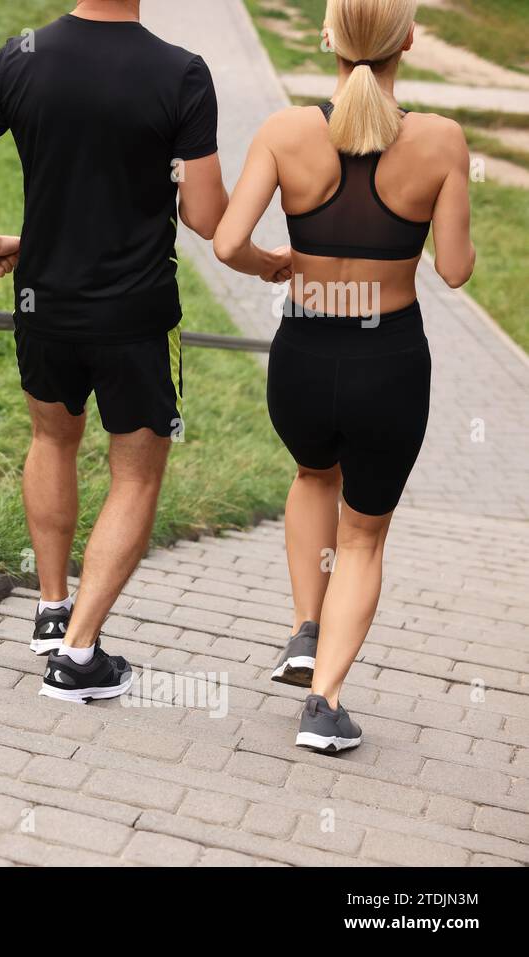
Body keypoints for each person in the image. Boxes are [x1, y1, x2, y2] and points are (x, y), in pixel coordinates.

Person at [0, 0, 290, 702]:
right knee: (136, 476)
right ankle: (78, 655)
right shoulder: (179, 73)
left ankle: (53, 605)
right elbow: (208, 219)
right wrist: (266, 250)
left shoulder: (18, 56)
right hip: (136, 316)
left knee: (51, 440)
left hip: (43, 305)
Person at [214, 0, 474, 752]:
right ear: (410, 41)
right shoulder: (442, 141)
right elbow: (454, 271)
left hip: (302, 354)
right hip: (388, 363)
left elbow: (229, 240)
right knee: (362, 535)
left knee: (311, 475)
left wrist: (276, 264)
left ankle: (305, 630)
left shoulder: (285, 130)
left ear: (329, 36)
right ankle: (324, 704)